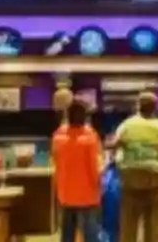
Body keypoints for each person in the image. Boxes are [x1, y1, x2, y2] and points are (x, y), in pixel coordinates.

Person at [114, 91, 158, 242]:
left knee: (128, 223)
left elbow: (116, 147)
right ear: (155, 108)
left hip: (131, 178)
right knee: (153, 224)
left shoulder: (126, 125)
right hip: (155, 179)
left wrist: (121, 167)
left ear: (138, 106)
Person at [53, 99, 102, 242]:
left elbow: (56, 163)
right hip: (87, 195)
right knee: (90, 233)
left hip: (65, 194)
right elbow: (94, 168)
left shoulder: (58, 137)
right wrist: (99, 187)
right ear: (84, 117)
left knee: (67, 233)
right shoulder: (90, 138)